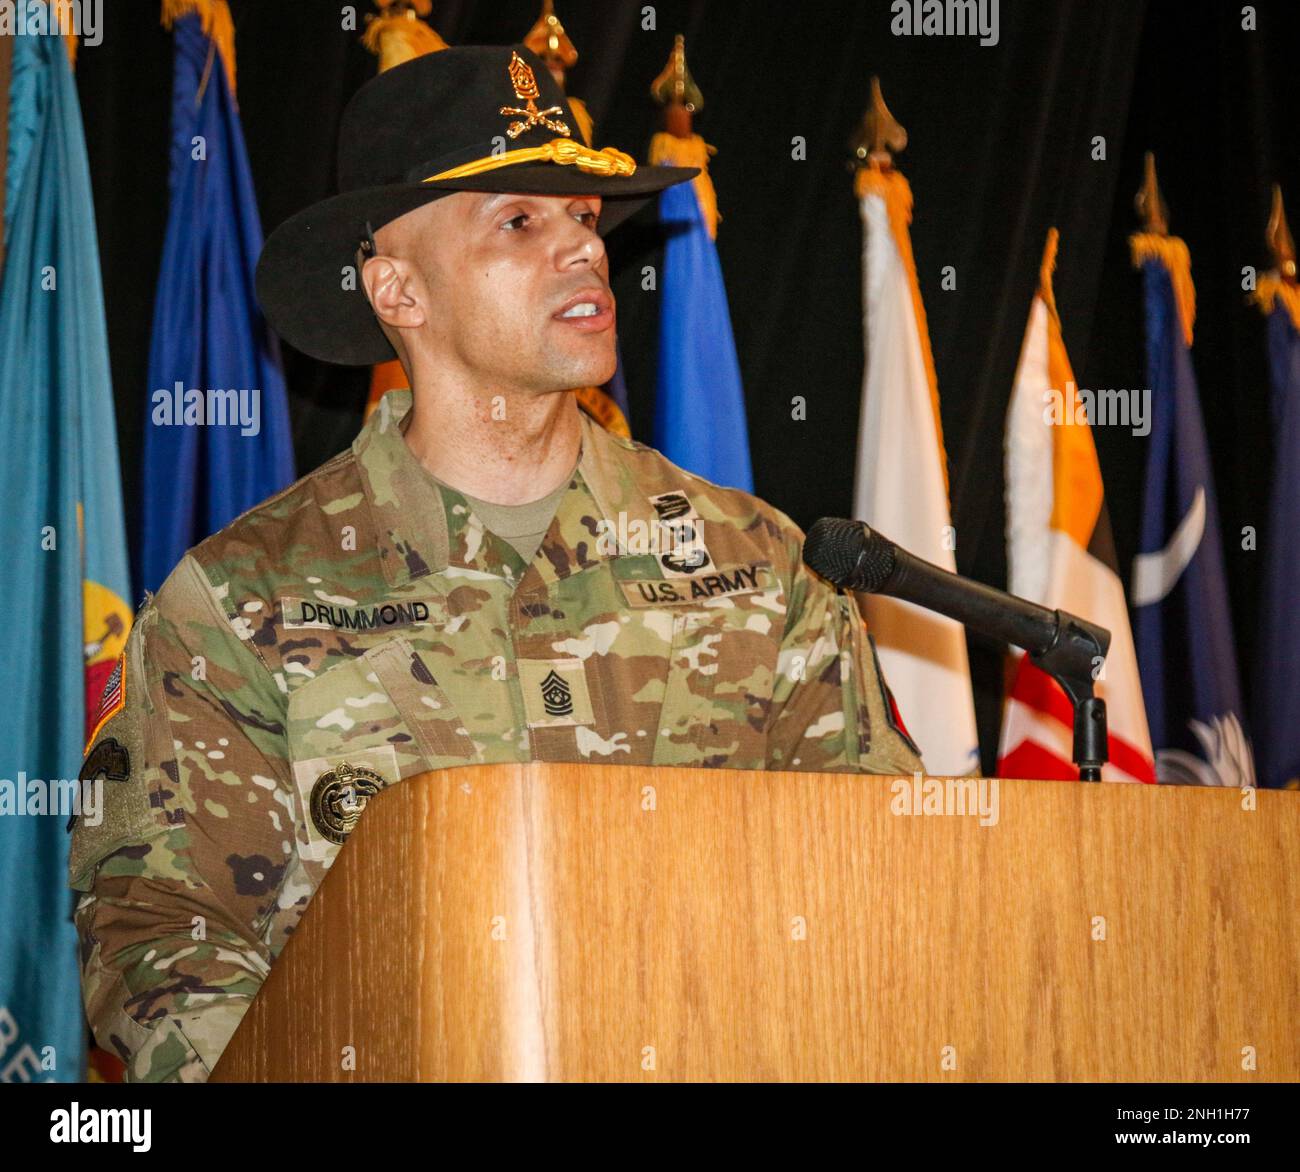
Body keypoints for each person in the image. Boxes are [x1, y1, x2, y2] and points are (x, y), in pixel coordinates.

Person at [70, 44, 924, 1083]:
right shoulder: (242, 601)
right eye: (520, 220)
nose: (580, 248)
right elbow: (159, 938)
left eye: (583, 217)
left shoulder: (758, 568)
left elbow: (884, 880)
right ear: (398, 289)